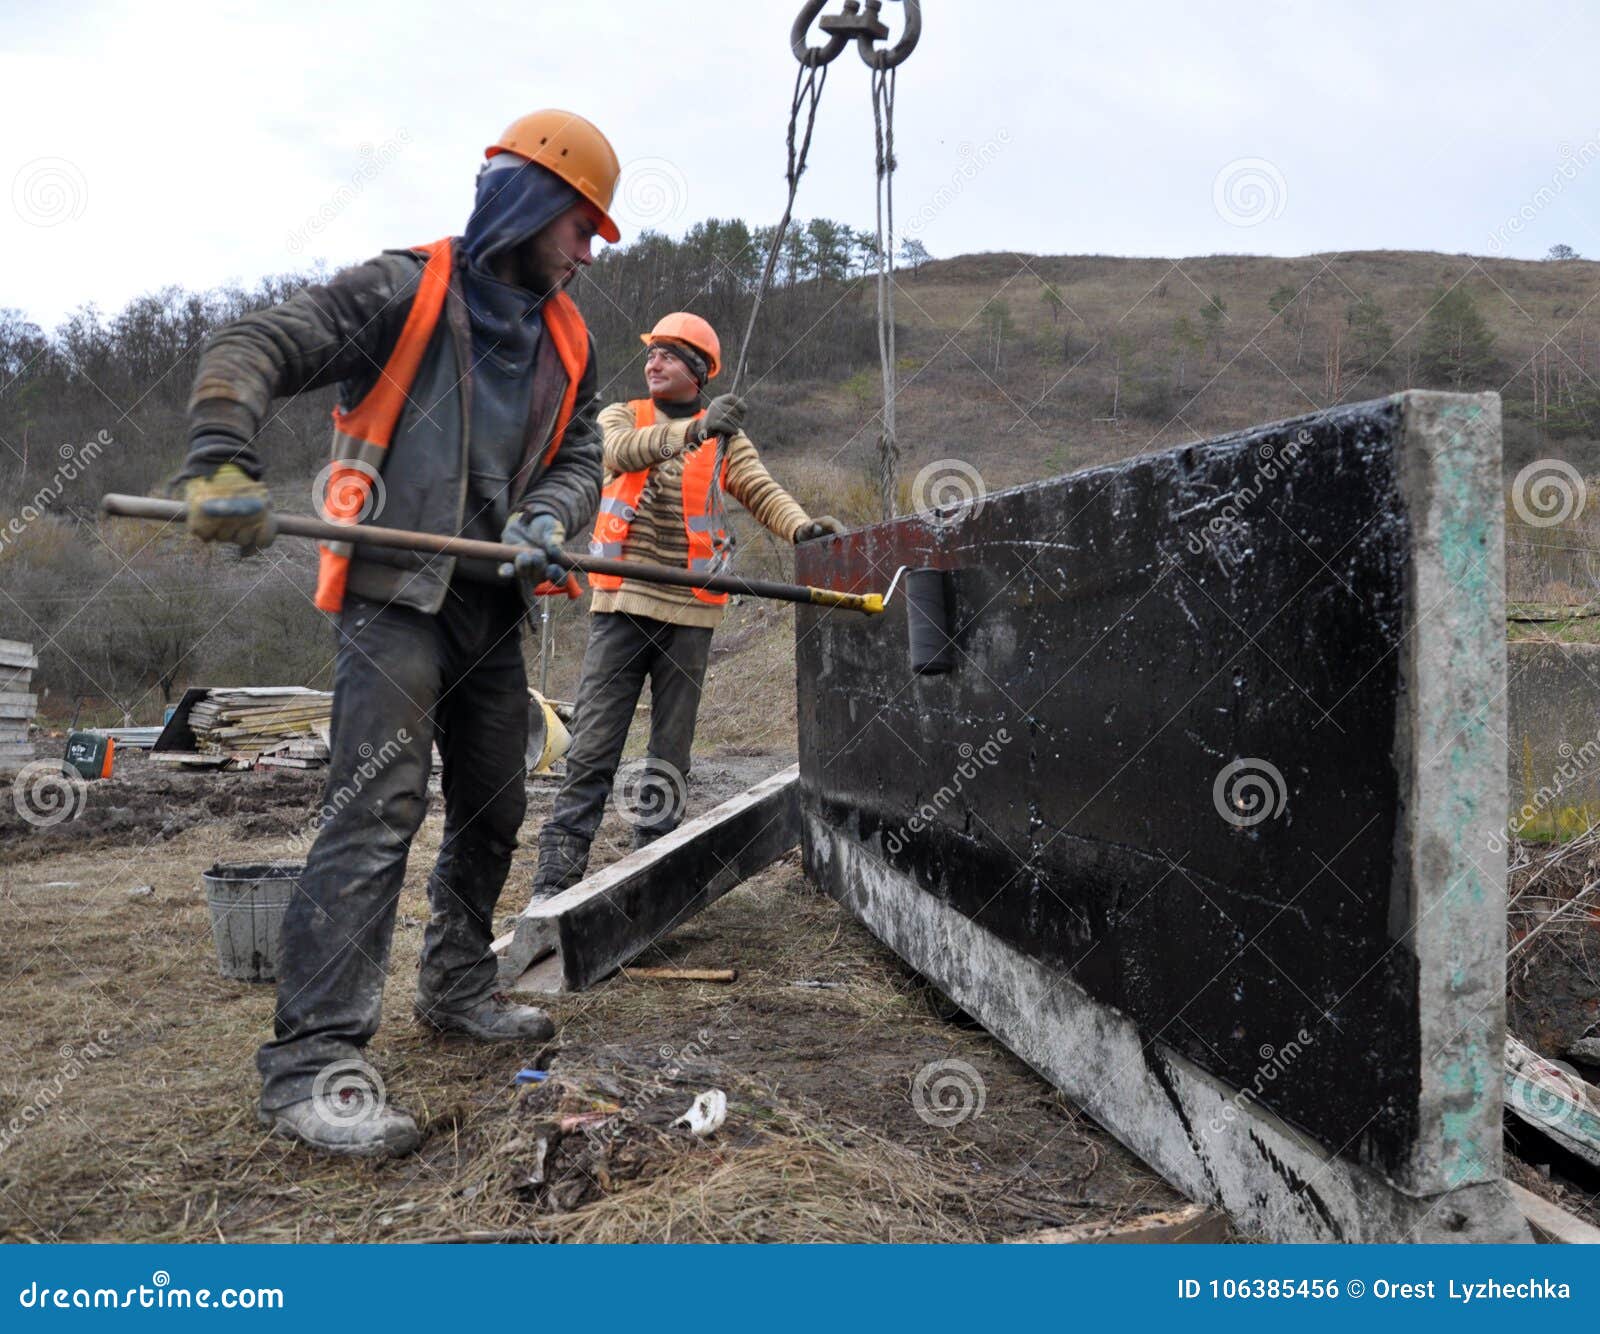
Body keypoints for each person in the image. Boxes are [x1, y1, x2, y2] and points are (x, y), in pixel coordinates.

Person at [179, 111, 621, 1156]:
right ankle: (310, 1065)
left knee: (496, 802)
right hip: (393, 589)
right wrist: (220, 453)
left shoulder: (570, 337)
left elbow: (582, 456)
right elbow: (256, 344)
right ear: (533, 202)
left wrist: (550, 515)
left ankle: (457, 982)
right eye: (582, 223)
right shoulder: (400, 289)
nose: (590, 249)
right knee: (376, 808)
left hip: (490, 601)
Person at [529, 312, 844, 897]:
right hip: (621, 603)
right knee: (594, 747)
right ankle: (555, 881)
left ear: (697, 372)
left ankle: (651, 880)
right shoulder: (622, 415)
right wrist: (694, 431)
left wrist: (801, 529)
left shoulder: (727, 438)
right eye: (652, 354)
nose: (653, 364)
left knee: (668, 757)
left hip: (691, 614)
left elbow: (760, 490)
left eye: (669, 356)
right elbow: (619, 453)